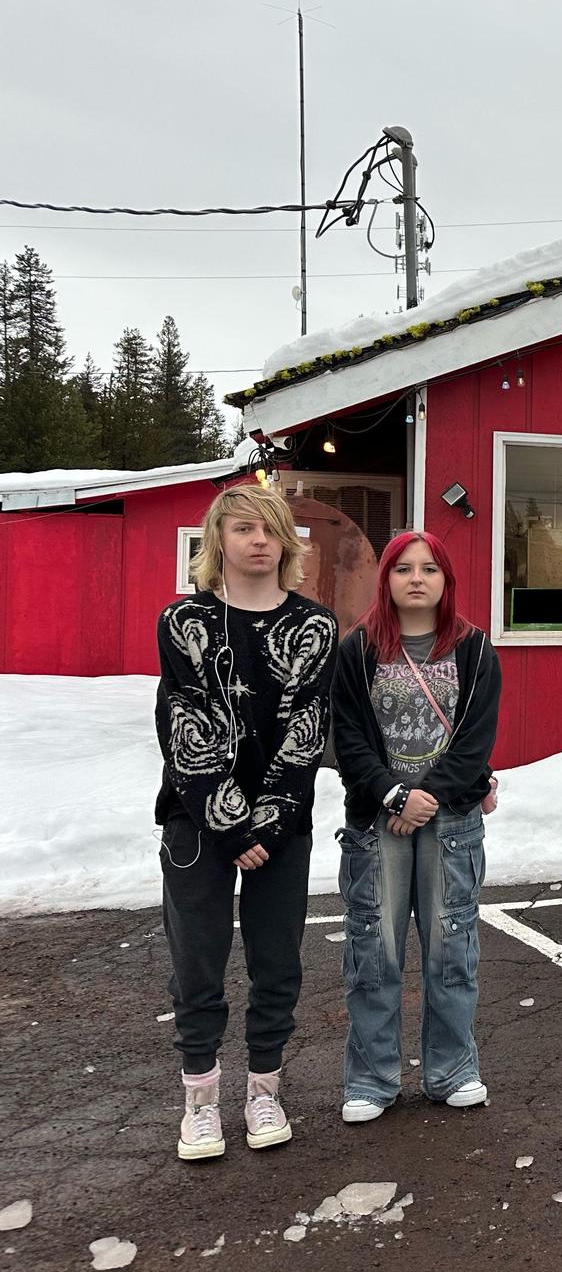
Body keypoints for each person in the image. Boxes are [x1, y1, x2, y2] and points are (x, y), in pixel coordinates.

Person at [155, 485, 336, 1162]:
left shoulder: (314, 625)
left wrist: (265, 823)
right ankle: (200, 1100)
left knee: (277, 962)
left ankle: (264, 1090)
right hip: (196, 820)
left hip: (282, 824)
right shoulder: (184, 621)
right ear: (218, 540)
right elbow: (184, 720)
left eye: (271, 529)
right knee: (197, 964)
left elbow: (306, 729)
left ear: (287, 542)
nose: (259, 540)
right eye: (242, 528)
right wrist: (230, 826)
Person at [332, 530, 501, 1123]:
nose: (417, 579)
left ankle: (452, 1070)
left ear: (446, 580)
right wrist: (395, 795)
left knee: (450, 949)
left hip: (450, 822)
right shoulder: (357, 650)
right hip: (377, 822)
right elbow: (347, 737)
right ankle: (371, 1079)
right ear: (386, 579)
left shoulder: (474, 649)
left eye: (430, 569)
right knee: (373, 951)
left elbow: (476, 739)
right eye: (403, 569)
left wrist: (428, 797)